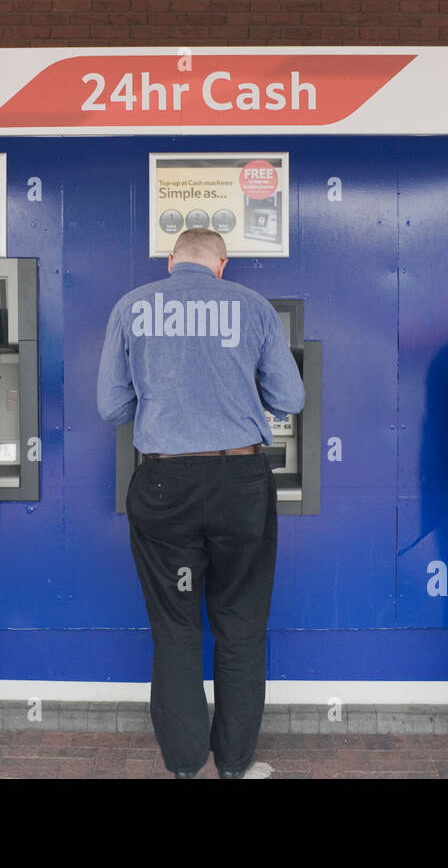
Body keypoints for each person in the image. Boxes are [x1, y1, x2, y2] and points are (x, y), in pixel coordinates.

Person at [97, 228, 305, 779]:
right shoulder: (253, 306)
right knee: (240, 624)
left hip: (164, 484)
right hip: (240, 479)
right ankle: (235, 763)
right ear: (221, 263)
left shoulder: (131, 306)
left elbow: (111, 406)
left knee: (176, 627)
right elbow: (292, 398)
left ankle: (186, 764)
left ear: (171, 261)